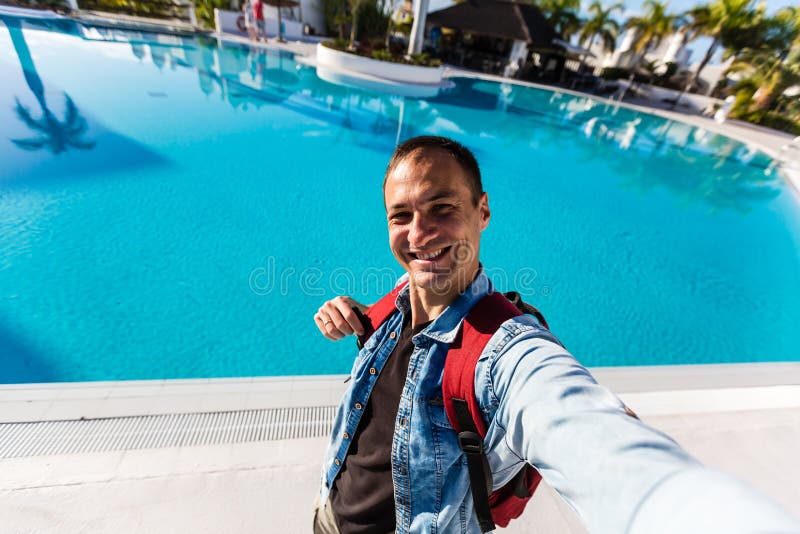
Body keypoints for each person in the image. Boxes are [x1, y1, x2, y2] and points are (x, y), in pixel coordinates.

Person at [312, 136, 800, 533]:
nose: (418, 234)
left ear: (483, 211)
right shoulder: (397, 300)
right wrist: (349, 312)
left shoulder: (505, 352)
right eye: (401, 216)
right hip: (330, 516)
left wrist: (679, 506)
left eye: (442, 208)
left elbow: (580, 427)